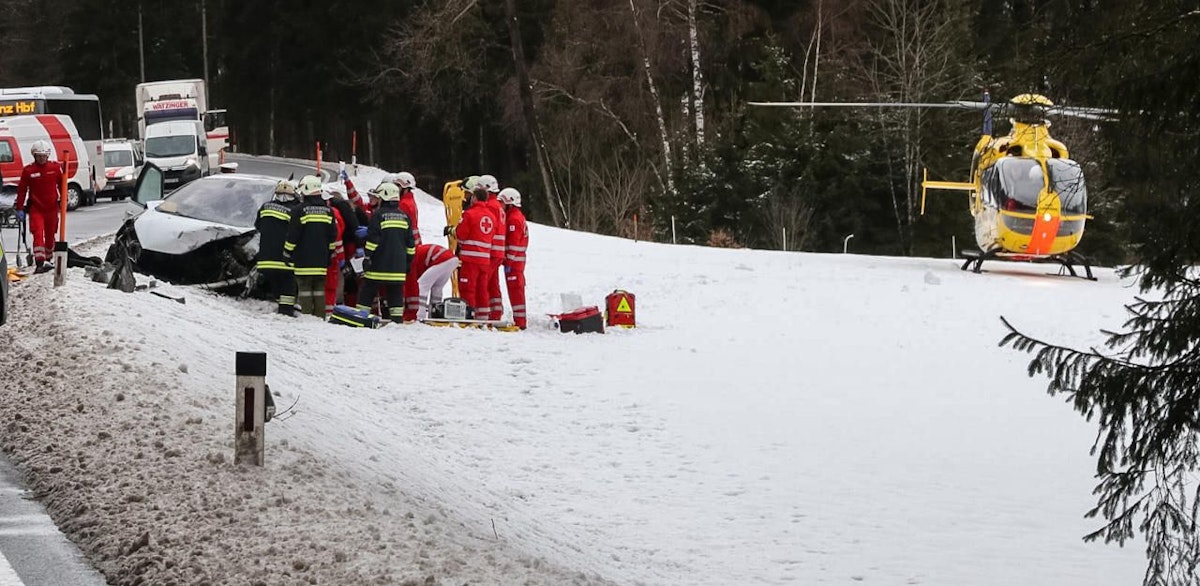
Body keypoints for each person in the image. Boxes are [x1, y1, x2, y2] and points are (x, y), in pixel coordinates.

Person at [358, 182, 415, 323]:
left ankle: (360, 317)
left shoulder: (378, 215)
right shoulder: (404, 216)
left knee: (367, 291)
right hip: (398, 267)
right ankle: (396, 320)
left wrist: (367, 257)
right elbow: (410, 243)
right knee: (395, 294)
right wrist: (408, 262)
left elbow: (373, 240)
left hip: (378, 266)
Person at [283, 175, 339, 318]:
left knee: (305, 288)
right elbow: (332, 235)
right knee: (319, 289)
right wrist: (330, 253)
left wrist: (287, 253)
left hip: (303, 258)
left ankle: (308, 316)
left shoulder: (299, 210)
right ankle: (320, 316)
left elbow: (293, 235)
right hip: (321, 259)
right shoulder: (328, 211)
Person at [15, 140, 63, 274]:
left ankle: (49, 258)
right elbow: (22, 190)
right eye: (39, 156)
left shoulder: (54, 168)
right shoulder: (28, 171)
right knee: (37, 233)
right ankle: (40, 262)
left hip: (52, 208)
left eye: (44, 156)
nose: (41, 158)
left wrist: (63, 199)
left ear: (47, 156)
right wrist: (20, 208)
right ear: (34, 156)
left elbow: (62, 184)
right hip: (36, 208)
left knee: (50, 234)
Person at [255, 179, 302, 315]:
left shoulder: (265, 207)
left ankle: (279, 304)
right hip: (284, 260)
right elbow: (297, 233)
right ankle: (286, 312)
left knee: (276, 284)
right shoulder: (294, 211)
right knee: (288, 287)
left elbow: (258, 226)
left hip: (266, 260)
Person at [454, 185, 494, 320]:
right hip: (485, 260)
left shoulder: (470, 214)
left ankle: (468, 315)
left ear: (475, 198)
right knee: (482, 290)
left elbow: (461, 234)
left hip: (470, 259)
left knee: (467, 288)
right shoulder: (491, 216)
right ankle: (483, 317)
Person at [402, 243, 459, 322]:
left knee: (421, 286)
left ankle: (419, 315)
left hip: (441, 259)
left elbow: (412, 281)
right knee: (437, 288)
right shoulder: (418, 251)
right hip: (452, 259)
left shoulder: (410, 258)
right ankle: (435, 315)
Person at [476, 174, 506, 321]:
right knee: (493, 285)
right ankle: (495, 313)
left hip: (491, 251)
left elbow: (487, 229)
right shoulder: (498, 206)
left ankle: (485, 314)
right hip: (498, 251)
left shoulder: (490, 206)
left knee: (483, 284)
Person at [498, 187, 528, 329]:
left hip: (514, 264)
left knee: (516, 293)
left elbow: (514, 244)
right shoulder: (515, 217)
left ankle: (520, 322)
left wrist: (508, 261)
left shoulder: (514, 219)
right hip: (516, 263)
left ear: (509, 203)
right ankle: (520, 321)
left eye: (502, 203)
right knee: (516, 292)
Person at [392, 171, 422, 245]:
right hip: (412, 239)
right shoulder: (408, 200)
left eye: (398, 186)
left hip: (407, 240)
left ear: (406, 188)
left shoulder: (404, 204)